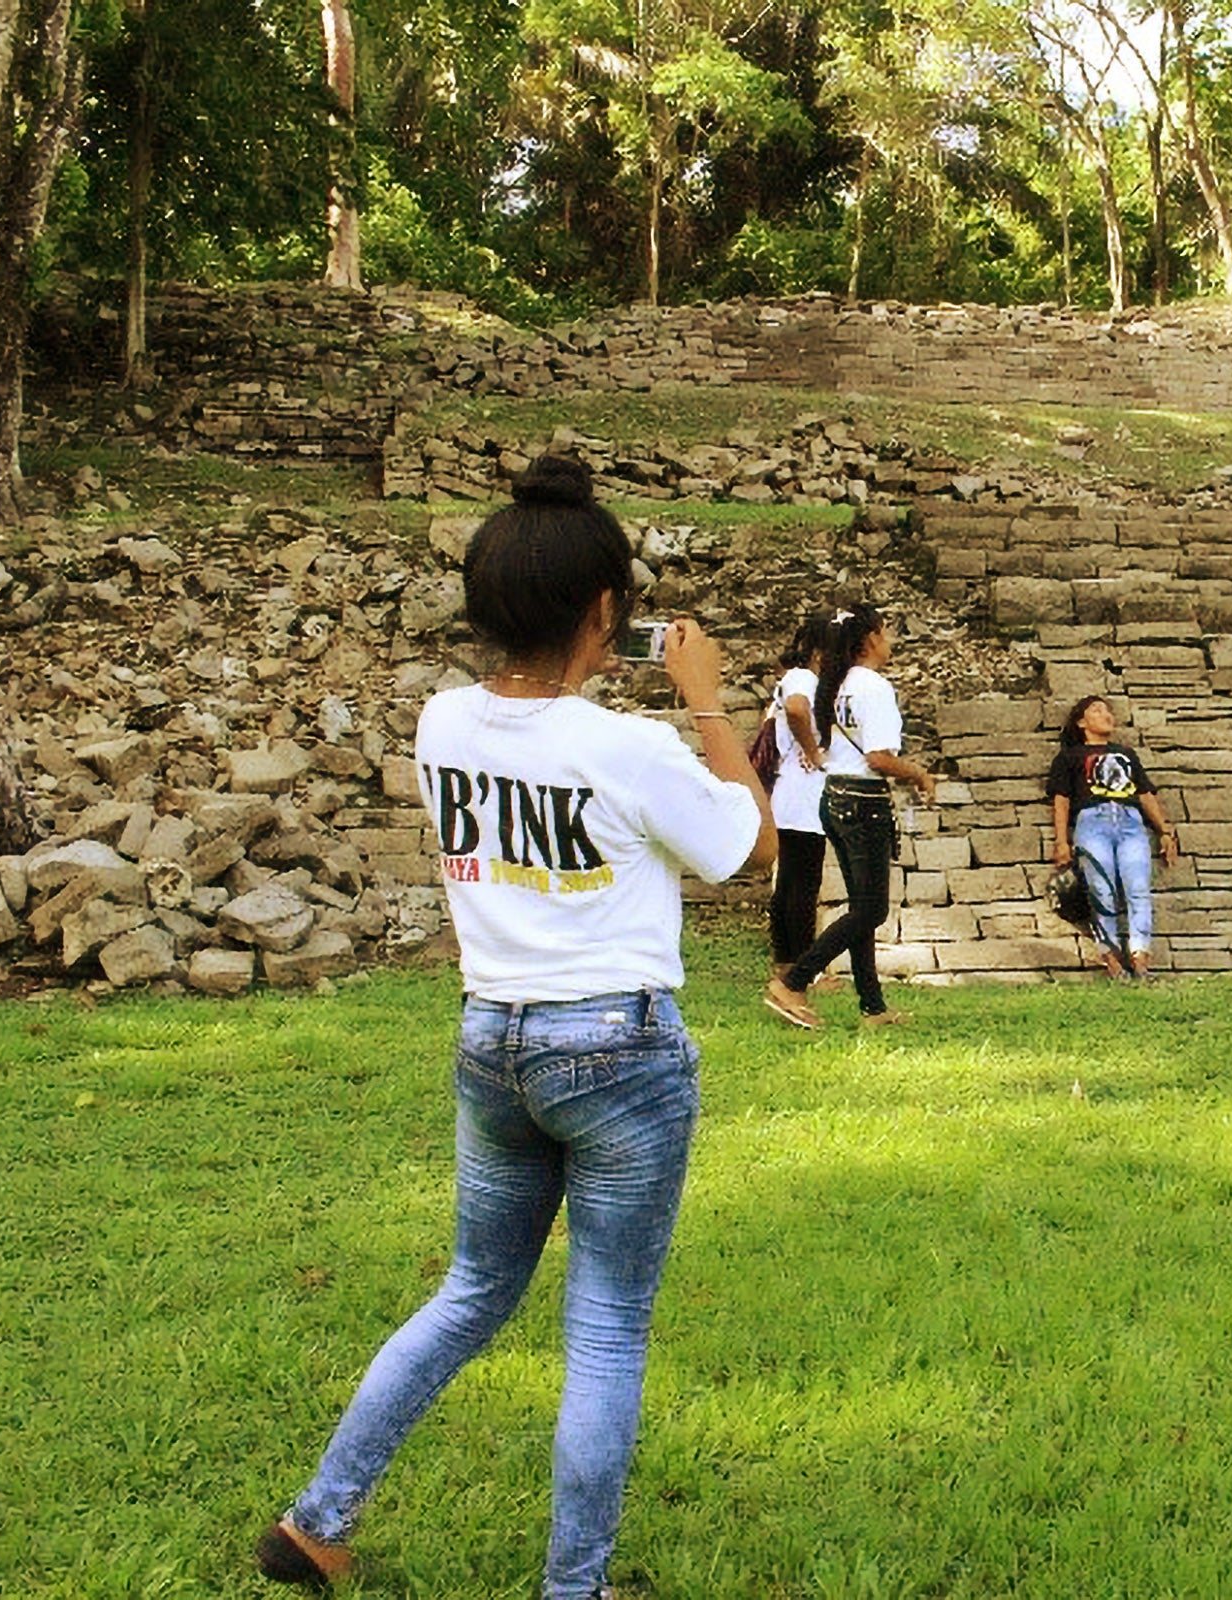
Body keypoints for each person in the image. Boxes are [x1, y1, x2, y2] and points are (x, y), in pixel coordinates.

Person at [253, 455, 775, 1600]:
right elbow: (755, 850)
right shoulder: (629, 747)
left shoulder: (442, 722)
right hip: (621, 1051)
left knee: (471, 1288)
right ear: (606, 612)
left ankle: (319, 1519)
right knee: (605, 1331)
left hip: (493, 1037)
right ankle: (571, 1588)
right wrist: (707, 700)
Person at [762, 601, 936, 1029]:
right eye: (887, 631)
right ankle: (796, 981)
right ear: (872, 638)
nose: (890, 640)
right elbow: (878, 757)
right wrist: (918, 773)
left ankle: (872, 1007)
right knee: (871, 910)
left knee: (862, 904)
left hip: (834, 795)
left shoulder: (834, 684)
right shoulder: (873, 687)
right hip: (864, 799)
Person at [1048, 695, 1180, 979]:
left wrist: (1164, 831)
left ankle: (1141, 958)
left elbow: (1145, 794)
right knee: (1102, 890)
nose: (1105, 714)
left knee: (1138, 888)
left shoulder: (1126, 754)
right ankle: (1112, 961)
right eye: (1096, 710)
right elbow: (1061, 799)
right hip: (1092, 821)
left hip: (1130, 822)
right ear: (1081, 722)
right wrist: (1062, 841)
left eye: (1108, 710)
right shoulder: (1070, 756)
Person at [766, 617, 830, 984]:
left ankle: (786, 963)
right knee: (803, 882)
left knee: (790, 880)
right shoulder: (803, 678)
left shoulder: (793, 677)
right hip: (804, 792)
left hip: (791, 791)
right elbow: (795, 709)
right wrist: (814, 748)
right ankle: (802, 971)